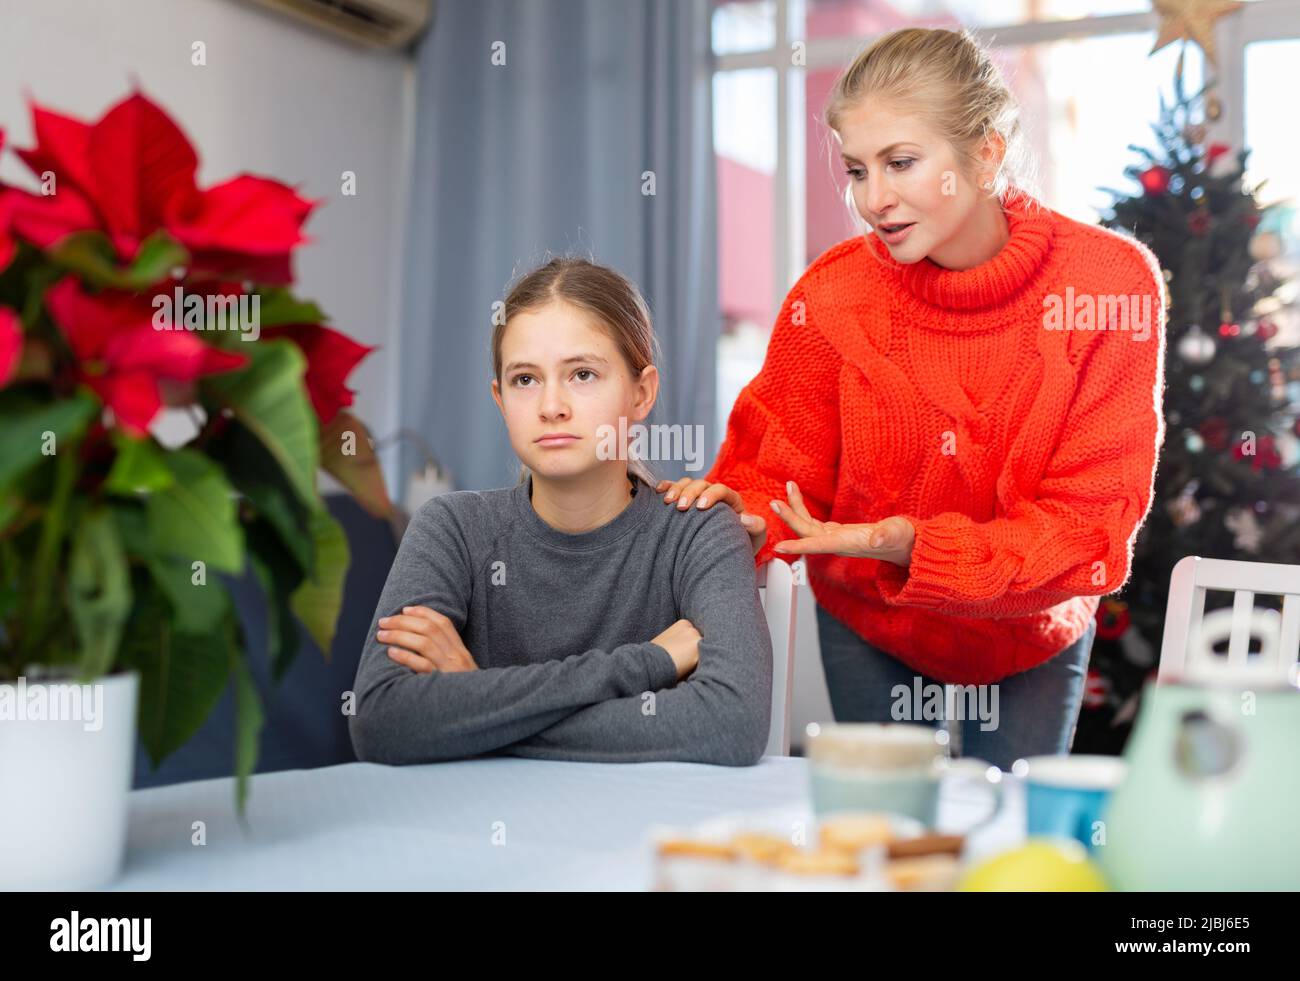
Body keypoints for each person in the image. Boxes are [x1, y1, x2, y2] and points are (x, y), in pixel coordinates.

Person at [658, 27, 1166, 771]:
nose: (873, 199)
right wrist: (736, 514)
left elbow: (1089, 532)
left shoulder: (1108, 287)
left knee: (1013, 857)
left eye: (901, 162)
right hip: (873, 620)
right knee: (892, 848)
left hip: (1029, 626)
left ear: (987, 153)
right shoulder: (832, 294)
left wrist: (913, 545)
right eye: (857, 169)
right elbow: (774, 474)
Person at [348, 257, 772, 766]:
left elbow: (733, 723)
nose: (552, 405)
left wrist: (476, 706)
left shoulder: (699, 529)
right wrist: (649, 662)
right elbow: (380, 721)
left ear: (642, 393)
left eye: (583, 374)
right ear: (500, 400)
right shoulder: (451, 529)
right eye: (525, 380)